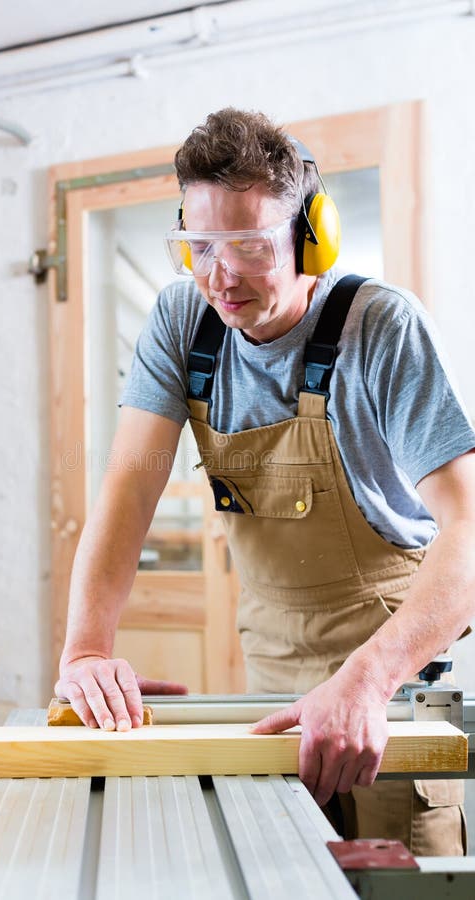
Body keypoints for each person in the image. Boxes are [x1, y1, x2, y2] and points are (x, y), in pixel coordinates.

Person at [55, 107, 475, 855]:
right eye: (199, 245)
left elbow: (470, 530)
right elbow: (127, 492)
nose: (220, 274)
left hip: (393, 681)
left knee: (403, 873)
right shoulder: (184, 323)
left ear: (312, 237)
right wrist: (86, 651)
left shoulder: (379, 329)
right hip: (270, 683)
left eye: (248, 245)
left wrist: (369, 681)